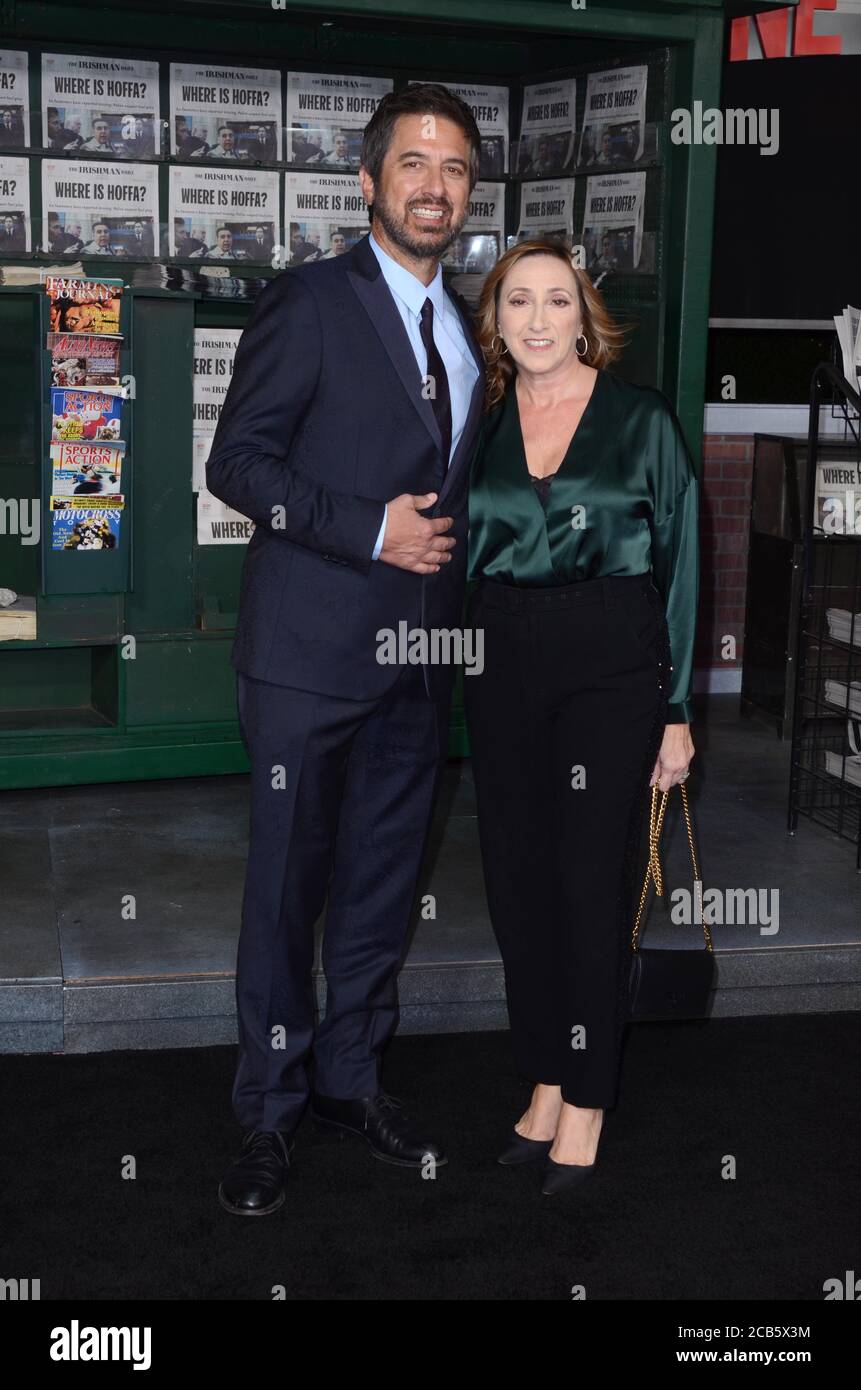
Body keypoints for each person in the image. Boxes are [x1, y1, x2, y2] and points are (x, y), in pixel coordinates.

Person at [206, 82, 485, 1217]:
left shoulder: (470, 326)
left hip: (418, 668)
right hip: (307, 660)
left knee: (380, 889)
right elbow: (240, 463)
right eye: (413, 163)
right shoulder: (309, 302)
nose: (434, 184)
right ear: (368, 182)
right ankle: (267, 1114)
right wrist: (373, 529)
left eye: (456, 168)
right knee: (285, 892)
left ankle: (348, 1081)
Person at [464, 237, 699, 1195]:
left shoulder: (641, 422)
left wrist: (677, 711)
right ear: (497, 321)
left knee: (587, 884)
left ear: (583, 316)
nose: (535, 319)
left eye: (554, 301)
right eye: (516, 301)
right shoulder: (476, 424)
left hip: (612, 660)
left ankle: (591, 1094)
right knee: (517, 883)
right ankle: (548, 1076)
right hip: (502, 657)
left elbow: (681, 566)